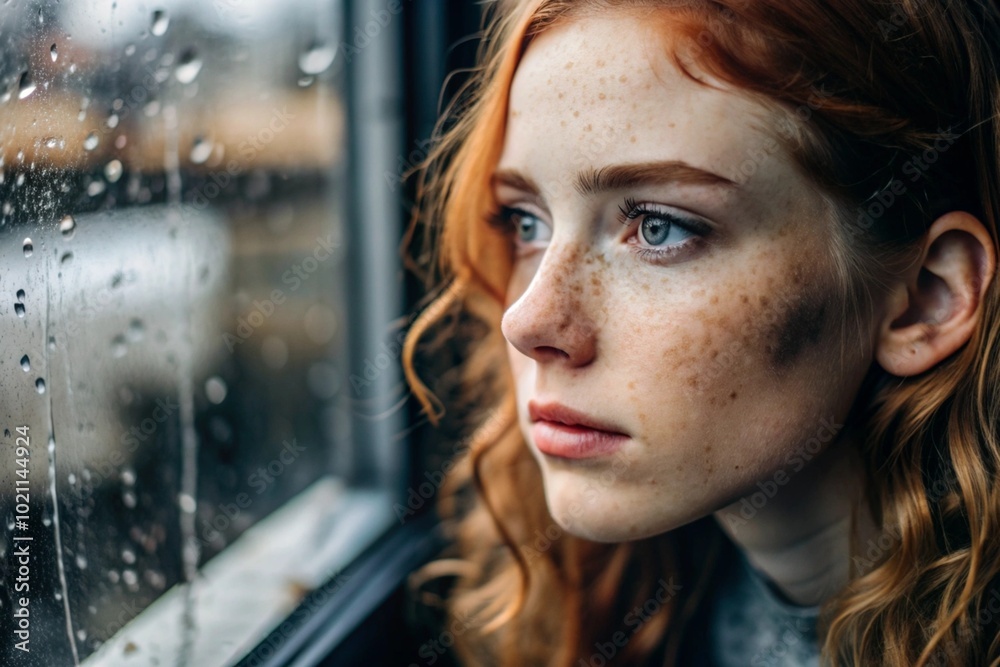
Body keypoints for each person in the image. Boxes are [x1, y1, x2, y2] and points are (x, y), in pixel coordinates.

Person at [402, 1, 1000, 664]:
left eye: (658, 227)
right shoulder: (617, 601)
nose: (526, 321)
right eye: (526, 223)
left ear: (927, 299)